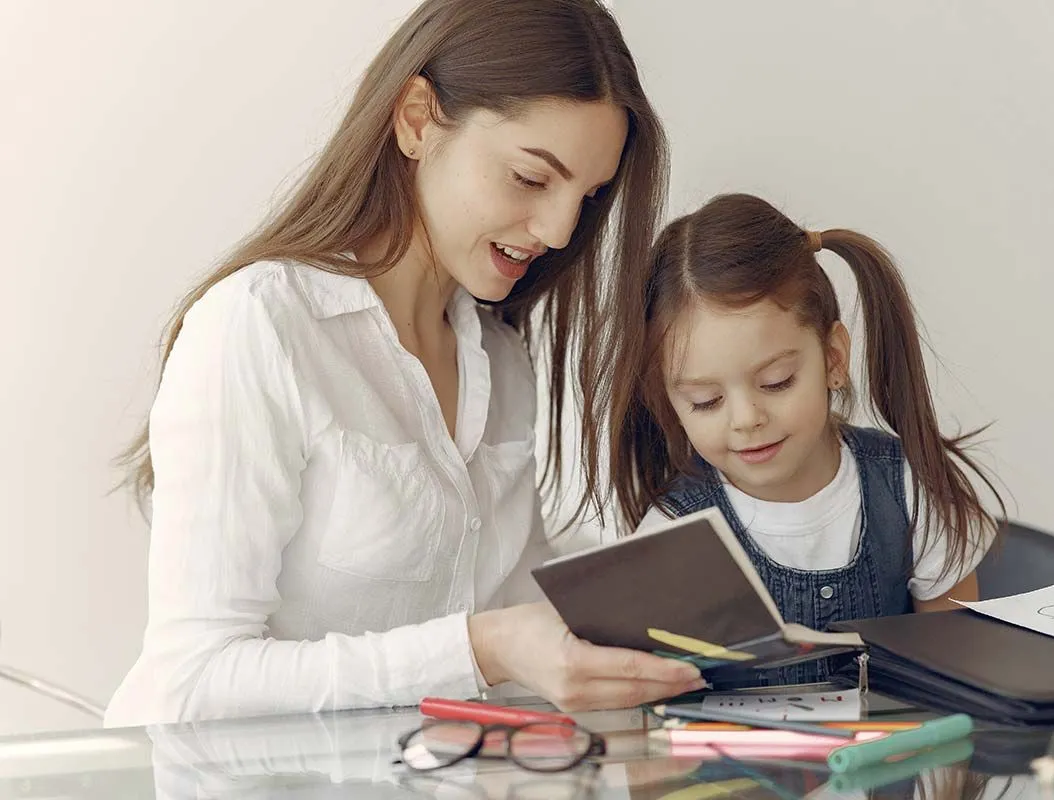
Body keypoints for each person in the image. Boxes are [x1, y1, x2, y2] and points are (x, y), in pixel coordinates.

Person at [104, 0, 704, 728]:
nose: (557, 230)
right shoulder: (263, 324)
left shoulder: (502, 361)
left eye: (588, 196)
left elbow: (520, 630)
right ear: (417, 120)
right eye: (530, 178)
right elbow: (192, 682)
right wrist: (484, 648)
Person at [608, 193, 1004, 686]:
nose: (747, 418)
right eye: (706, 400)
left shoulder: (910, 486)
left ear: (834, 359)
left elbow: (962, 676)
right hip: (732, 764)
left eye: (776, 382)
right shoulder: (672, 537)